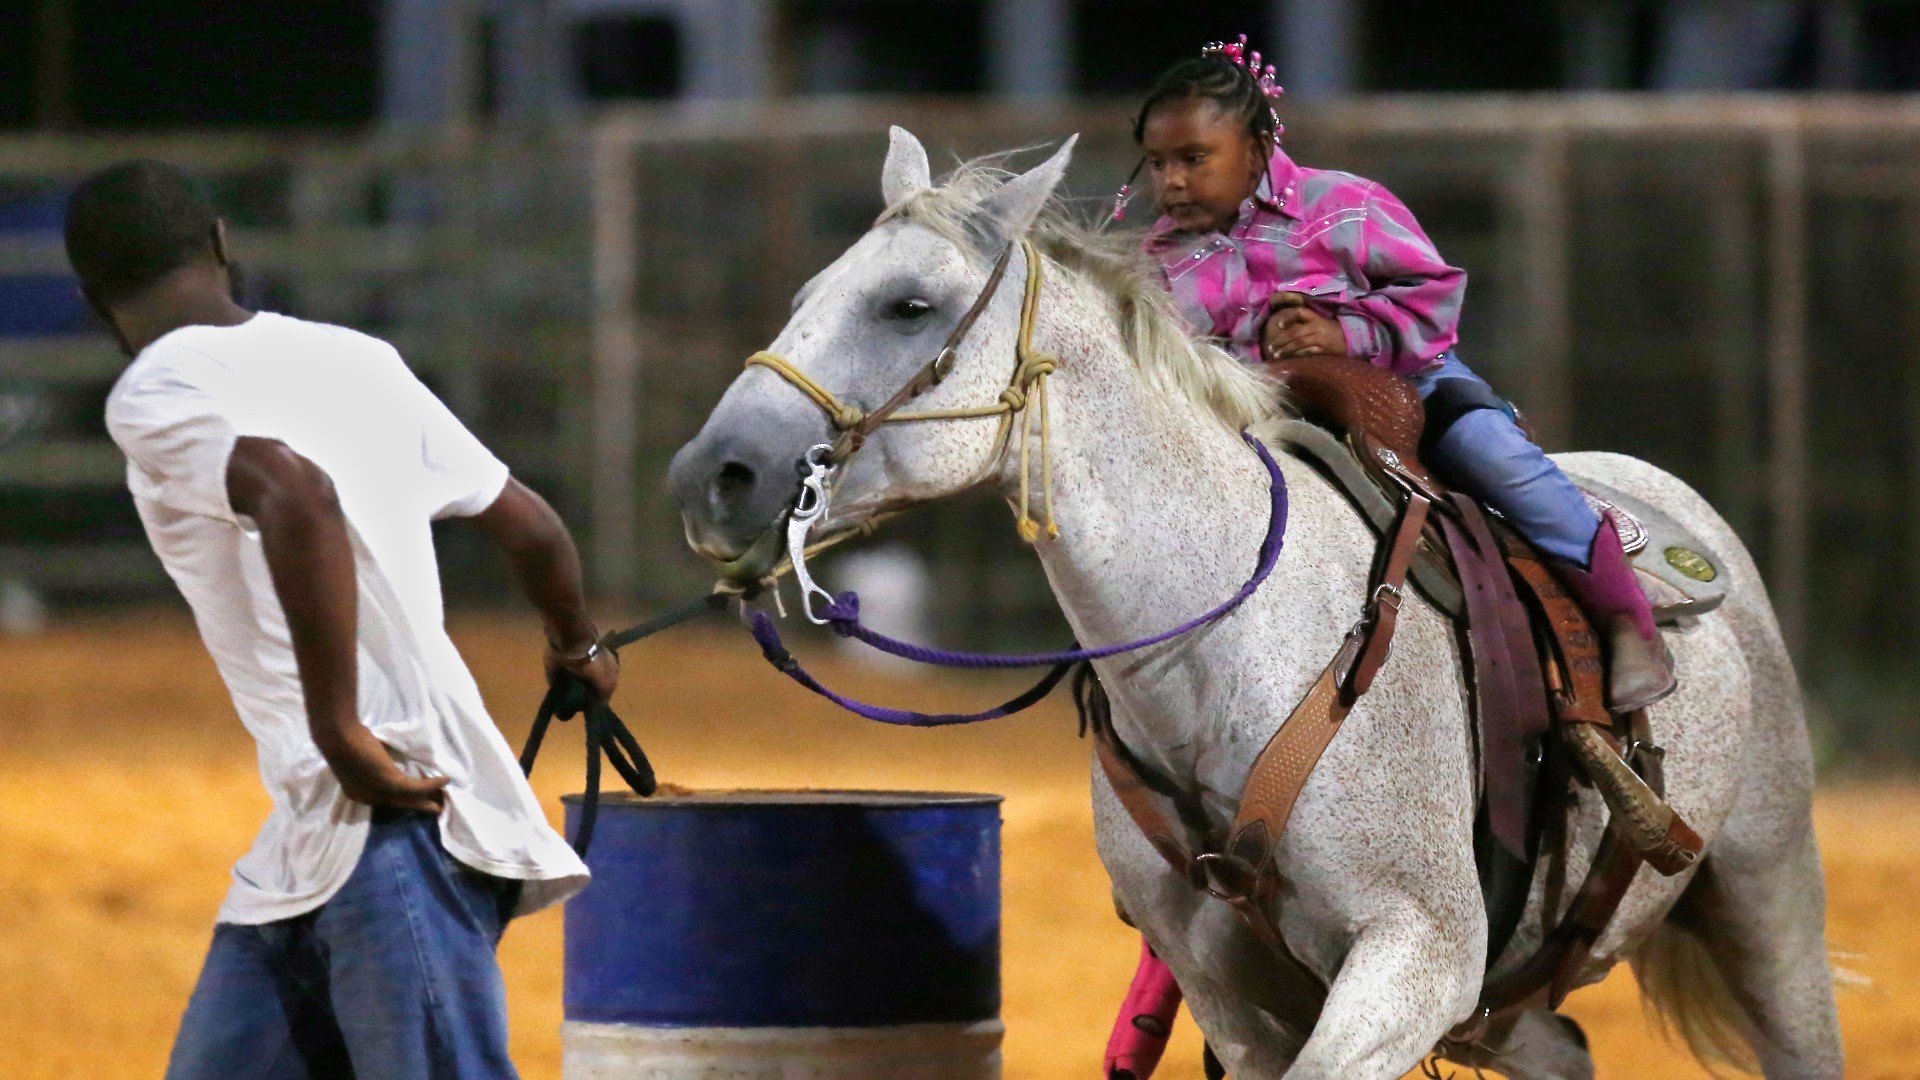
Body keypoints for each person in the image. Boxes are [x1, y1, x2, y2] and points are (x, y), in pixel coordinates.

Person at [1100, 37, 1677, 1079]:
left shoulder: (1345, 208)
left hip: (1396, 392)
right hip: (1252, 445)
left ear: (1259, 144)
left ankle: (1625, 624)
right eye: (1157, 162)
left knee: (1515, 472)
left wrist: (1341, 324)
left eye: (1195, 158)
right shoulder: (1152, 260)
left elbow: (1433, 301)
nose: (1172, 182)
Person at [68, 159, 612, 1080]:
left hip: (390, 810)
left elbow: (294, 490)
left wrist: (339, 728)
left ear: (92, 299)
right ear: (220, 245)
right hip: (321, 840)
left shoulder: (154, 391)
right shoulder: (359, 359)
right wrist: (577, 642)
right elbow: (527, 523)